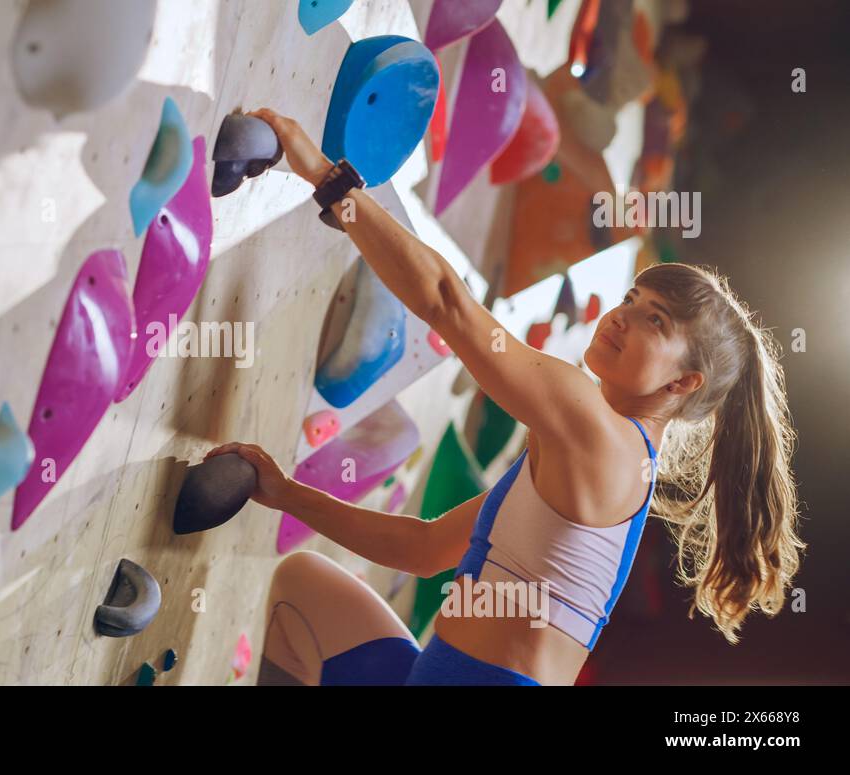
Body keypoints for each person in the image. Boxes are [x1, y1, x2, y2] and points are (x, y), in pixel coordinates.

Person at [206, 109, 805, 686]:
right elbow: (423, 548)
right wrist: (285, 493)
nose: (623, 318)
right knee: (303, 587)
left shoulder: (598, 435)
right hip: (430, 676)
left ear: (682, 383)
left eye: (656, 321)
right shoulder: (587, 454)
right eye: (630, 301)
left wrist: (327, 178)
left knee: (302, 596)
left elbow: (448, 303)